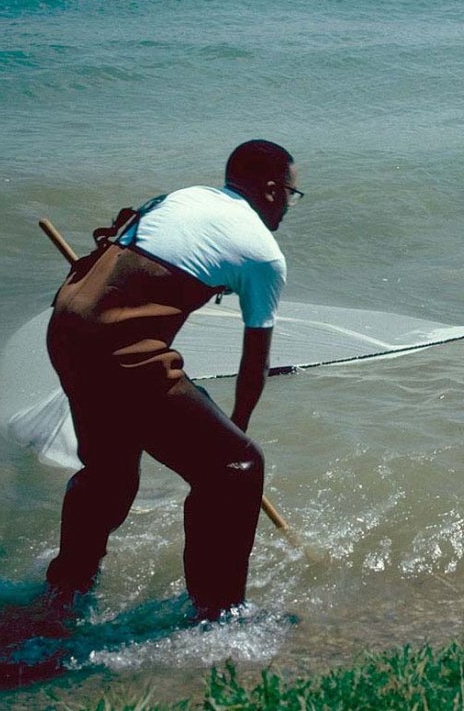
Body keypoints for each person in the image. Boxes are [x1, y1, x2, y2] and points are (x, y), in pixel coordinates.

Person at [44, 140, 301, 618]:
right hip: (118, 348)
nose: (290, 203)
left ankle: (65, 593)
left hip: (67, 327)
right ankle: (220, 617)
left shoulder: (183, 197)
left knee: (110, 475)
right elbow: (253, 367)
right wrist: (236, 430)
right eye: (292, 192)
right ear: (271, 190)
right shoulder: (264, 254)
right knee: (236, 467)